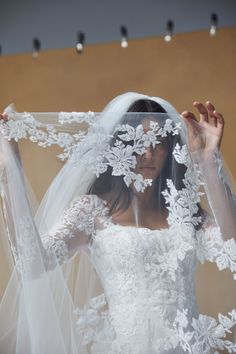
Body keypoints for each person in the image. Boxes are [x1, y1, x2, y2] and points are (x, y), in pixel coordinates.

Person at [0, 92, 235, 354]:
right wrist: (11, 173)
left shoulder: (186, 213)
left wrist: (207, 161)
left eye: (158, 141)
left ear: (170, 149)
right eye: (138, 141)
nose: (147, 152)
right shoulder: (93, 210)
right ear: (119, 145)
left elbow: (233, 246)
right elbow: (32, 263)